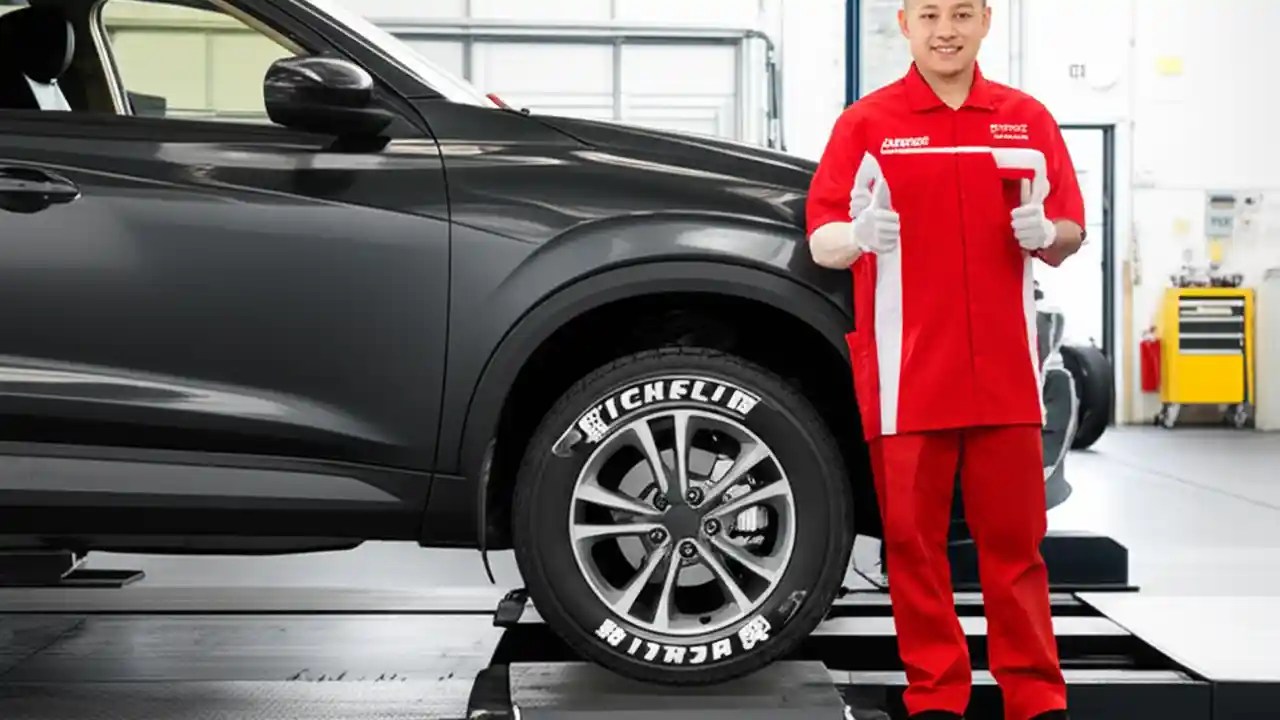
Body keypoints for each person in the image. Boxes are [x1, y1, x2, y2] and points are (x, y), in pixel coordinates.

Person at [805, 1, 1085, 720]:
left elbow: (1072, 229)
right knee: (914, 549)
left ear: (986, 20)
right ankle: (936, 697)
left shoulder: (1027, 119)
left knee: (1017, 548)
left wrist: (1048, 230)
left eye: (962, 12)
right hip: (907, 374)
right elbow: (821, 238)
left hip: (1006, 375)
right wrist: (859, 233)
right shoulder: (867, 124)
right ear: (904, 23)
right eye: (929, 13)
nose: (946, 29)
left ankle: (1035, 697)